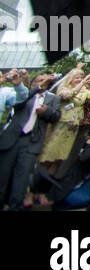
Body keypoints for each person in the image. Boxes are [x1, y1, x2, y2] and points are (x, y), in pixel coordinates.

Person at [0, 72, 59, 210]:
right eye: (40, 80)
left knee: (21, 179)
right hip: (12, 139)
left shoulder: (52, 98)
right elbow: (19, 103)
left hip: (32, 142)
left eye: (45, 81)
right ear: (33, 83)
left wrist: (46, 111)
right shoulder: (25, 94)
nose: (43, 82)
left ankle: (16, 206)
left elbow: (56, 116)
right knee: (2, 175)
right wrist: (37, 88)